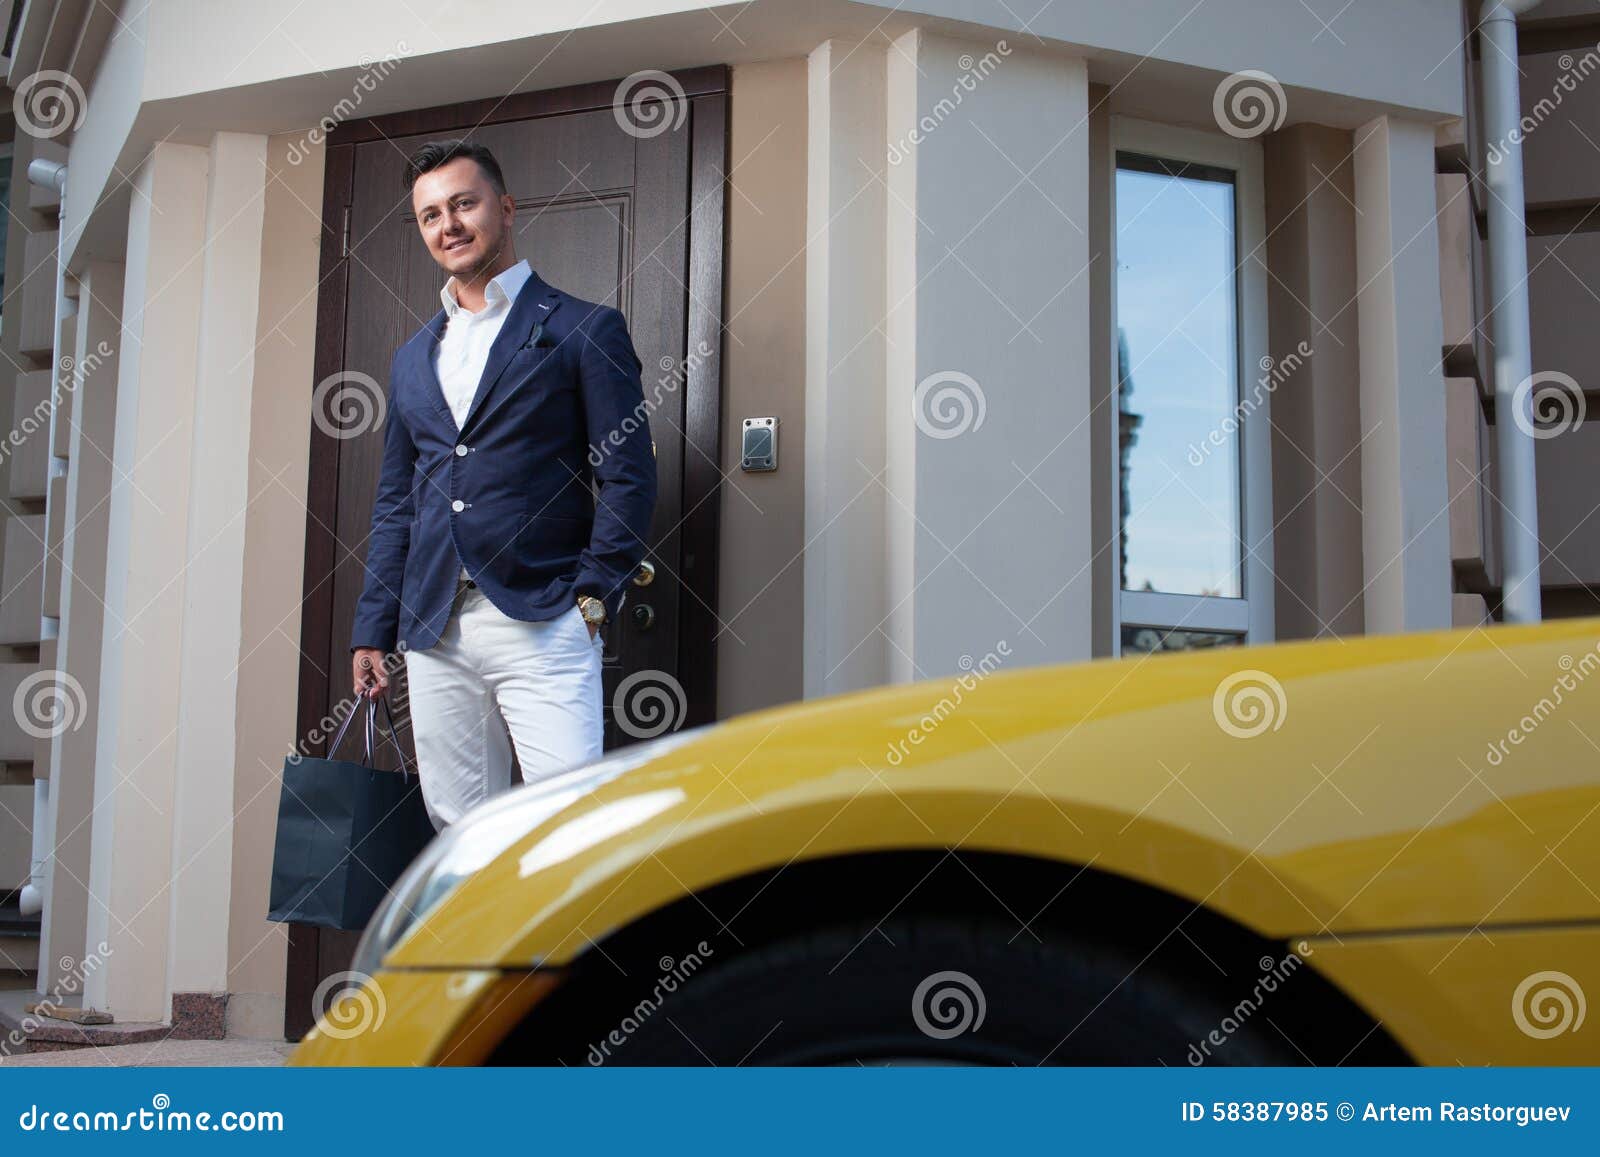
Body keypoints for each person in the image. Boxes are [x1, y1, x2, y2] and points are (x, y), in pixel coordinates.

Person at [348, 138, 657, 830]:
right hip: (433, 629)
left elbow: (629, 474)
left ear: (505, 207)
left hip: (545, 619)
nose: (448, 225)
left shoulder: (584, 329)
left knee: (568, 826)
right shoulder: (411, 358)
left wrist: (592, 597)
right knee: (460, 831)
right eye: (431, 215)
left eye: (463, 203)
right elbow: (398, 499)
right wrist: (374, 627)